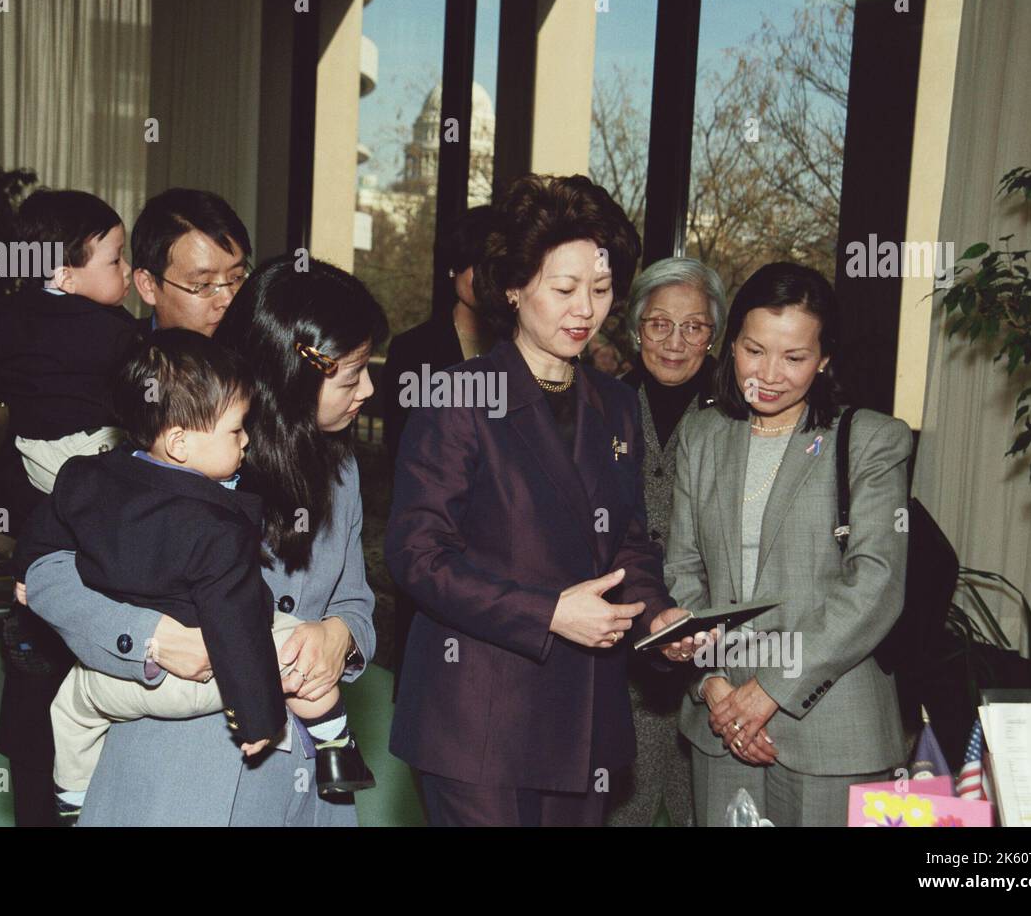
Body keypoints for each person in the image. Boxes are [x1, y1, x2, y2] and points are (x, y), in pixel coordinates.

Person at [23, 254, 382, 826]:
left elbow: (353, 599)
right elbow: (48, 574)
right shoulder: (172, 449)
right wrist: (151, 639)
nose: (367, 388)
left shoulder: (340, 470)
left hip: (301, 784)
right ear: (294, 370)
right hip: (173, 775)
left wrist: (339, 638)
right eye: (351, 372)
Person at [386, 174, 699, 826]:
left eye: (602, 289)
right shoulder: (458, 396)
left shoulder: (615, 405)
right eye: (563, 289)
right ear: (512, 288)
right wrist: (547, 611)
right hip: (478, 722)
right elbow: (416, 555)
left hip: (583, 721)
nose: (585, 309)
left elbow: (628, 543)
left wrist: (660, 618)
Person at [0, 187, 254, 827]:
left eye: (236, 280)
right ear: (147, 284)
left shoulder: (253, 375)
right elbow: (20, 480)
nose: (224, 300)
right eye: (202, 283)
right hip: (73, 635)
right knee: (50, 781)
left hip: (213, 669)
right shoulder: (98, 360)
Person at [666, 262, 912, 827]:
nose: (769, 374)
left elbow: (875, 585)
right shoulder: (701, 437)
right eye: (754, 350)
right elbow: (682, 572)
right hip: (720, 720)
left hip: (830, 731)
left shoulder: (871, 439)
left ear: (824, 358)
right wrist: (716, 686)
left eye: (795, 357)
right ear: (731, 346)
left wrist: (770, 690)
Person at [607, 257, 725, 827]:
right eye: (659, 324)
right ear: (635, 329)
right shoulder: (598, 405)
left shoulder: (743, 412)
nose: (675, 342)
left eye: (694, 326)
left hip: (716, 662)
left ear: (714, 335)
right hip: (620, 646)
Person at [382, 204, 497, 698]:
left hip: (502, 564)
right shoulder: (415, 351)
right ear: (455, 271)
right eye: (480, 265)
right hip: (435, 551)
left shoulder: (526, 351)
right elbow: (403, 452)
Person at [0, 189, 137, 496]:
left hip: (30, 456)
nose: (127, 270)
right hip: (95, 450)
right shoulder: (113, 328)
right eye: (115, 259)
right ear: (66, 278)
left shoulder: (0, 315)